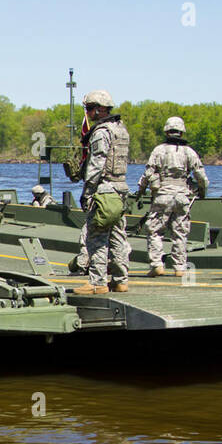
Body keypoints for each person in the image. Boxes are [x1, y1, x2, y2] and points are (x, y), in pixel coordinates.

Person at [73, 89, 131, 295]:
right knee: (118, 236)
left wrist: (87, 192)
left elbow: (96, 165)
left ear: (100, 110)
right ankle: (120, 280)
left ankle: (97, 282)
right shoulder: (122, 130)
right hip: (121, 188)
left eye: (89, 109)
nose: (87, 113)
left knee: (97, 236)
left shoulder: (101, 132)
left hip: (103, 190)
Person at [138, 116, 208, 276]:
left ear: (167, 131)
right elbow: (201, 177)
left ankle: (157, 264)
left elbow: (148, 173)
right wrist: (202, 191)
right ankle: (179, 267)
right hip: (183, 195)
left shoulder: (159, 150)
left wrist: (141, 190)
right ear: (182, 133)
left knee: (154, 230)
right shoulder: (189, 152)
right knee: (180, 232)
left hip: (163, 195)